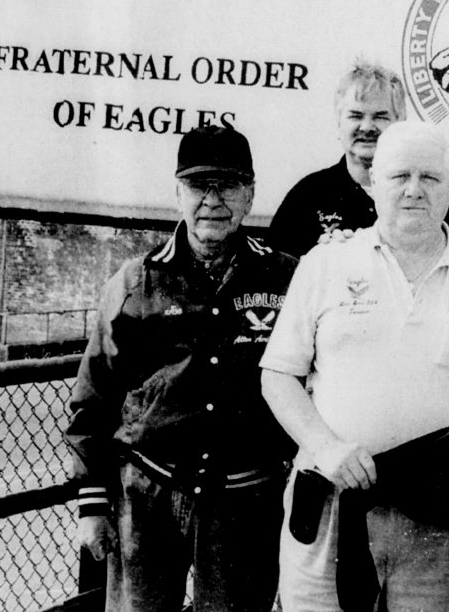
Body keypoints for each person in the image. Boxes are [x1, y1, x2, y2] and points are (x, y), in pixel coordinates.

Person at [259, 120, 449, 612]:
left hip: (437, 518)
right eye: (399, 176)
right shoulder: (325, 265)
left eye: (430, 177)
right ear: (372, 183)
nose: (414, 190)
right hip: (331, 505)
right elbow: (278, 375)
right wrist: (325, 447)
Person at [66, 125, 298, 612]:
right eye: (197, 186)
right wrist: (92, 502)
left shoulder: (288, 278)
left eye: (227, 186)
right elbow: (94, 396)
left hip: (245, 499)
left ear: (250, 194)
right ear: (177, 193)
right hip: (147, 495)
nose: (212, 201)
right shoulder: (136, 282)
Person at [269, 61, 449, 258]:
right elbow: (279, 271)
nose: (367, 127)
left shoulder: (435, 192)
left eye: (380, 116)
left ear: (400, 122)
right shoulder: (307, 195)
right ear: (339, 123)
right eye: (355, 116)